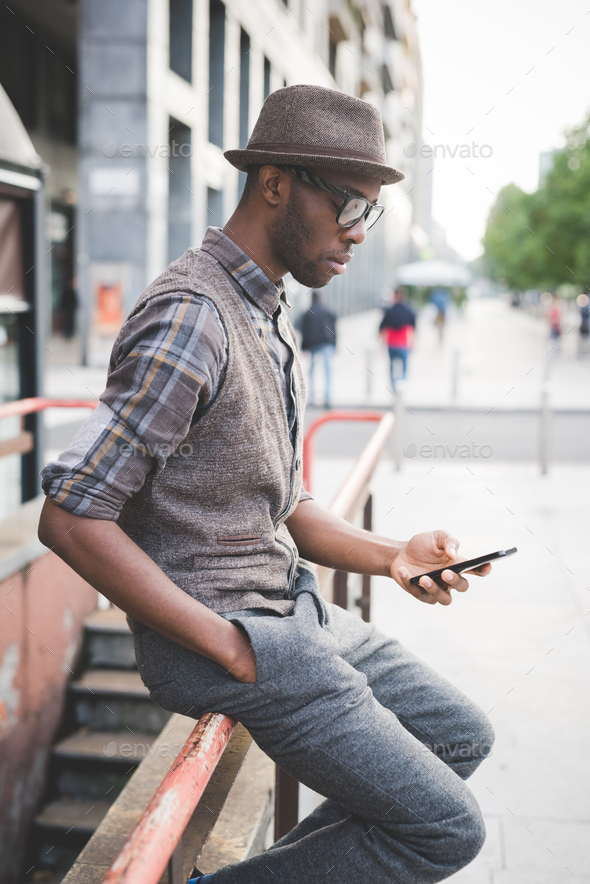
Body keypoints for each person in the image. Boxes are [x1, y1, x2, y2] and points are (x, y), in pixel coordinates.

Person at [39, 85, 494, 884]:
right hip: (237, 635)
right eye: (347, 202)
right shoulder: (193, 316)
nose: (357, 232)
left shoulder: (265, 309)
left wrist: (393, 555)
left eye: (370, 213)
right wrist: (230, 646)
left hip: (291, 611)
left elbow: (282, 502)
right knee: (445, 831)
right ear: (274, 183)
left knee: (461, 736)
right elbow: (73, 514)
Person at [299, 290, 337, 407]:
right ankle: (327, 397)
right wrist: (335, 344)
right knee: (328, 370)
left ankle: (311, 397)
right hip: (326, 343)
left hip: (313, 345)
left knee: (311, 370)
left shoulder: (307, 313)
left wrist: (303, 348)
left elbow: (304, 332)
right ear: (321, 298)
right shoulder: (328, 311)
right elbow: (334, 330)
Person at [379, 286, 416, 391]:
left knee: (391, 367)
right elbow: (413, 329)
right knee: (404, 367)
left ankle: (393, 387)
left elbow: (382, 329)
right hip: (403, 344)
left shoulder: (389, 311)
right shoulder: (409, 311)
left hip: (391, 344)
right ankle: (402, 385)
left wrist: (381, 346)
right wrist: (413, 343)